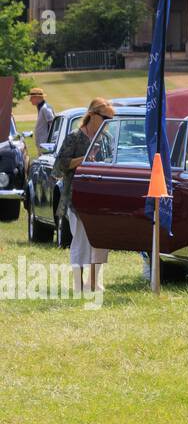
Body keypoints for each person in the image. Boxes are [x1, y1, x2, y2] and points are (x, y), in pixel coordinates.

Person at [54, 98, 115, 294]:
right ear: (93, 115)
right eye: (106, 118)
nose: (108, 122)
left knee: (101, 240)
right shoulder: (73, 137)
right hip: (76, 197)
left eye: (111, 119)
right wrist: (84, 159)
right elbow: (59, 167)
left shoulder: (106, 139)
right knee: (81, 239)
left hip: (101, 197)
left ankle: (94, 282)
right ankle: (79, 284)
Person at [30, 87, 56, 152]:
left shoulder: (45, 108)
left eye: (32, 97)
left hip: (46, 144)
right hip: (43, 143)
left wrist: (49, 143)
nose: (30, 100)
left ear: (37, 97)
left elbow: (53, 124)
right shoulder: (42, 107)